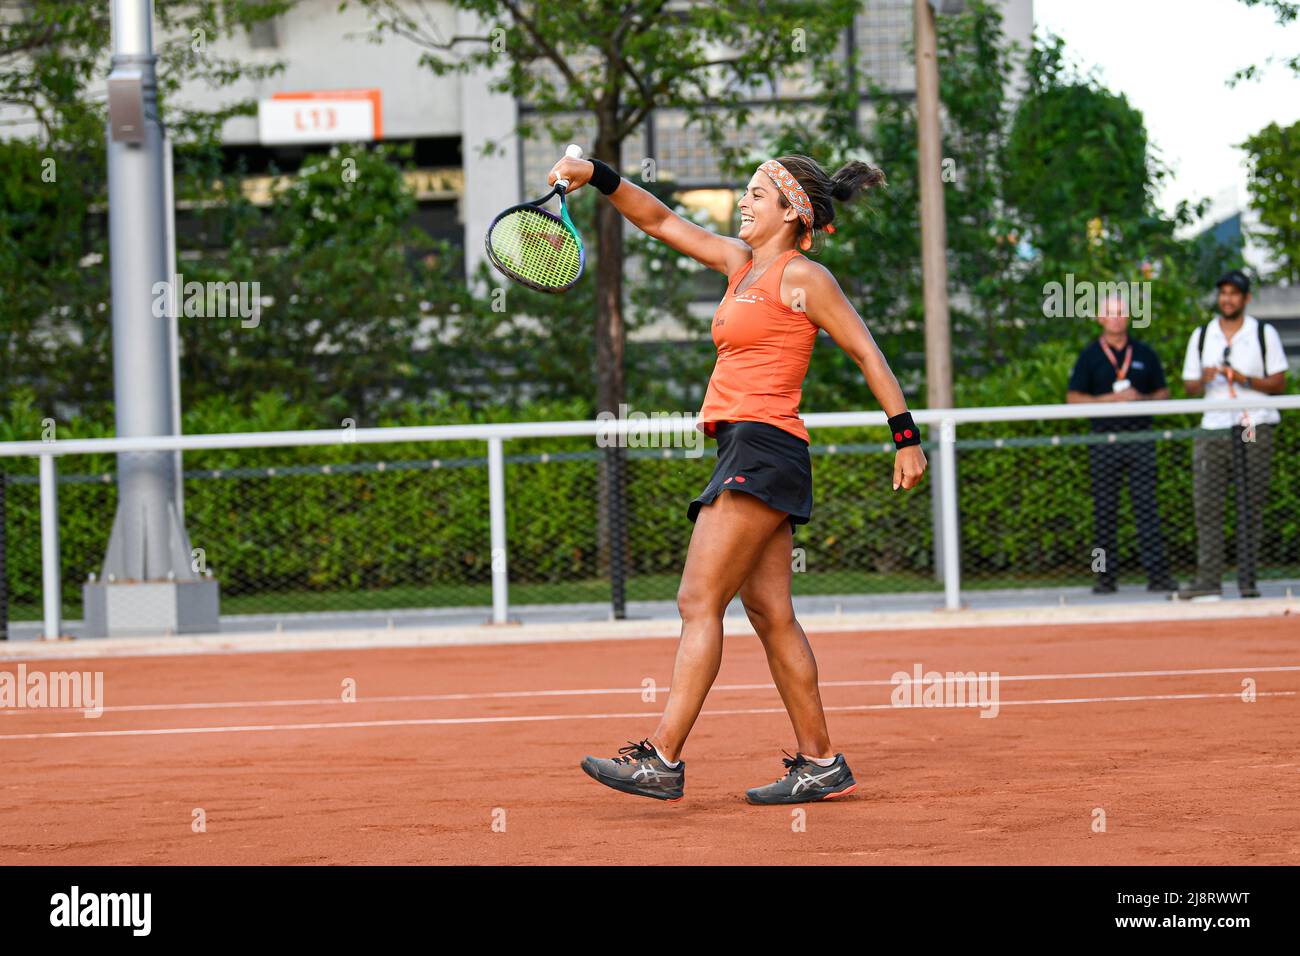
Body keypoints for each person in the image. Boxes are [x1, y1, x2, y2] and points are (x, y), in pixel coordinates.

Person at [548, 152, 926, 804]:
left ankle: (663, 758)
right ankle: (821, 762)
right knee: (771, 613)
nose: (743, 202)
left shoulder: (803, 276)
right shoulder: (739, 264)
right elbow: (661, 222)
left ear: (791, 211)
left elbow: (866, 351)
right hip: (745, 447)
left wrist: (906, 437)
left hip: (764, 449)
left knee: (698, 601)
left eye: (756, 194)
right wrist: (598, 175)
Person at [1177, 270, 1287, 600]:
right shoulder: (1202, 335)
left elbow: (1279, 382)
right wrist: (1206, 377)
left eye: (1234, 293)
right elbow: (1189, 385)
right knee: (1207, 505)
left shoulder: (1263, 333)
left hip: (1252, 424)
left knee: (1250, 502)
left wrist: (1243, 379)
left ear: (1246, 298)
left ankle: (1247, 580)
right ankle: (1208, 580)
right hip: (1214, 426)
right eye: (1223, 293)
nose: (1227, 299)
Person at [1066, 294, 1177, 594]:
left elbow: (1163, 393)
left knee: (1147, 508)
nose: (1116, 318)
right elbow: (1073, 398)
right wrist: (1110, 400)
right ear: (1100, 318)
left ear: (1128, 316)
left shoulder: (1145, 353)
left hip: (1140, 439)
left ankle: (1157, 576)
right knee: (1103, 512)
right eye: (1110, 313)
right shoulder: (1089, 356)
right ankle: (1104, 577)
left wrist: (1142, 399)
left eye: (1120, 312)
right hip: (1104, 442)